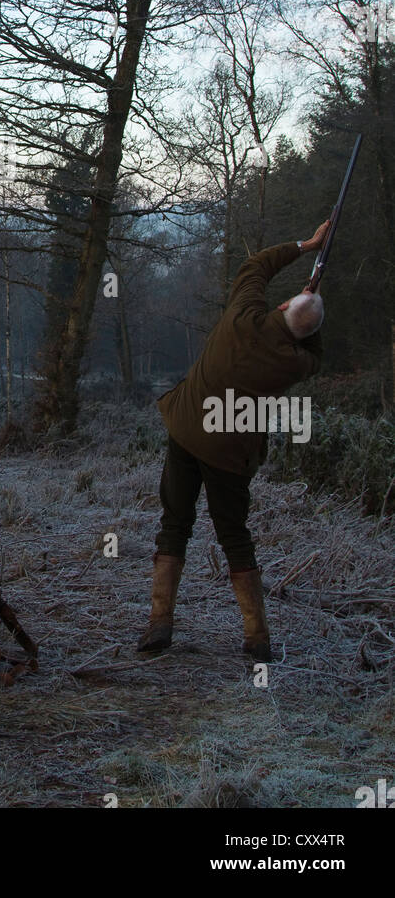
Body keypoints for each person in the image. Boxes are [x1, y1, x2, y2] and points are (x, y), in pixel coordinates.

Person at [138, 221, 330, 662]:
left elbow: (256, 266)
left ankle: (159, 625)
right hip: (229, 453)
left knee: (174, 526)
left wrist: (307, 244)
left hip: (186, 431)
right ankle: (257, 638)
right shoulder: (294, 362)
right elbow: (314, 354)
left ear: (280, 306)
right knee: (235, 537)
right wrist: (311, 308)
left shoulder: (242, 315)